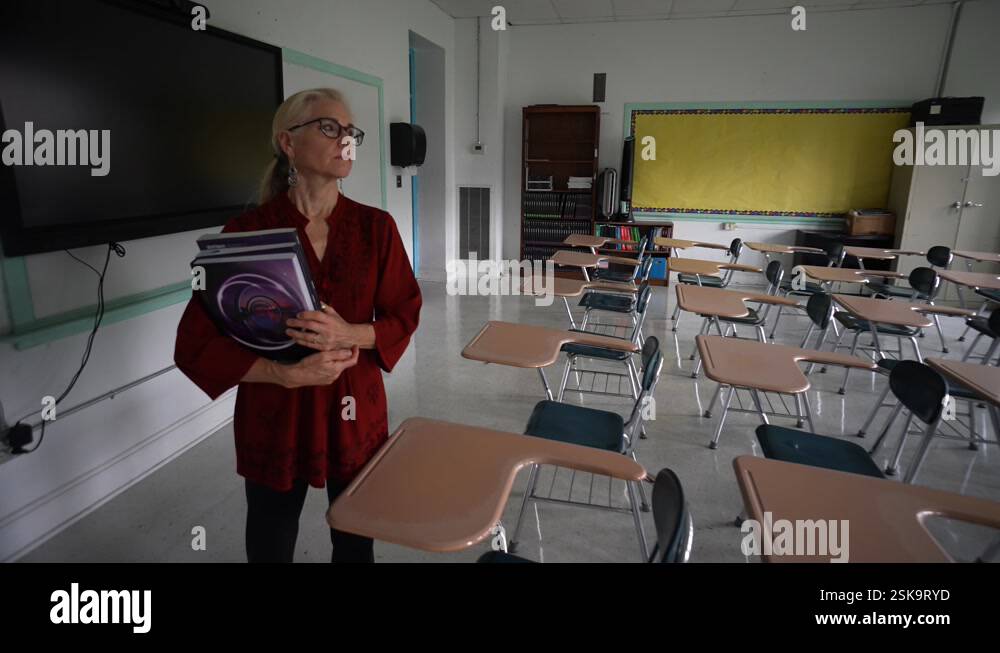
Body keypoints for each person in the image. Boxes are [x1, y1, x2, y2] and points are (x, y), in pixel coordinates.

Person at [174, 88, 422, 563]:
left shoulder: (377, 228)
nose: (345, 140)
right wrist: (283, 374)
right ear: (288, 143)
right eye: (330, 128)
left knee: (354, 536)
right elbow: (195, 344)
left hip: (354, 408)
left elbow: (404, 313)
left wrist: (348, 333)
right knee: (270, 537)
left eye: (351, 132)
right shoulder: (246, 234)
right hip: (275, 414)